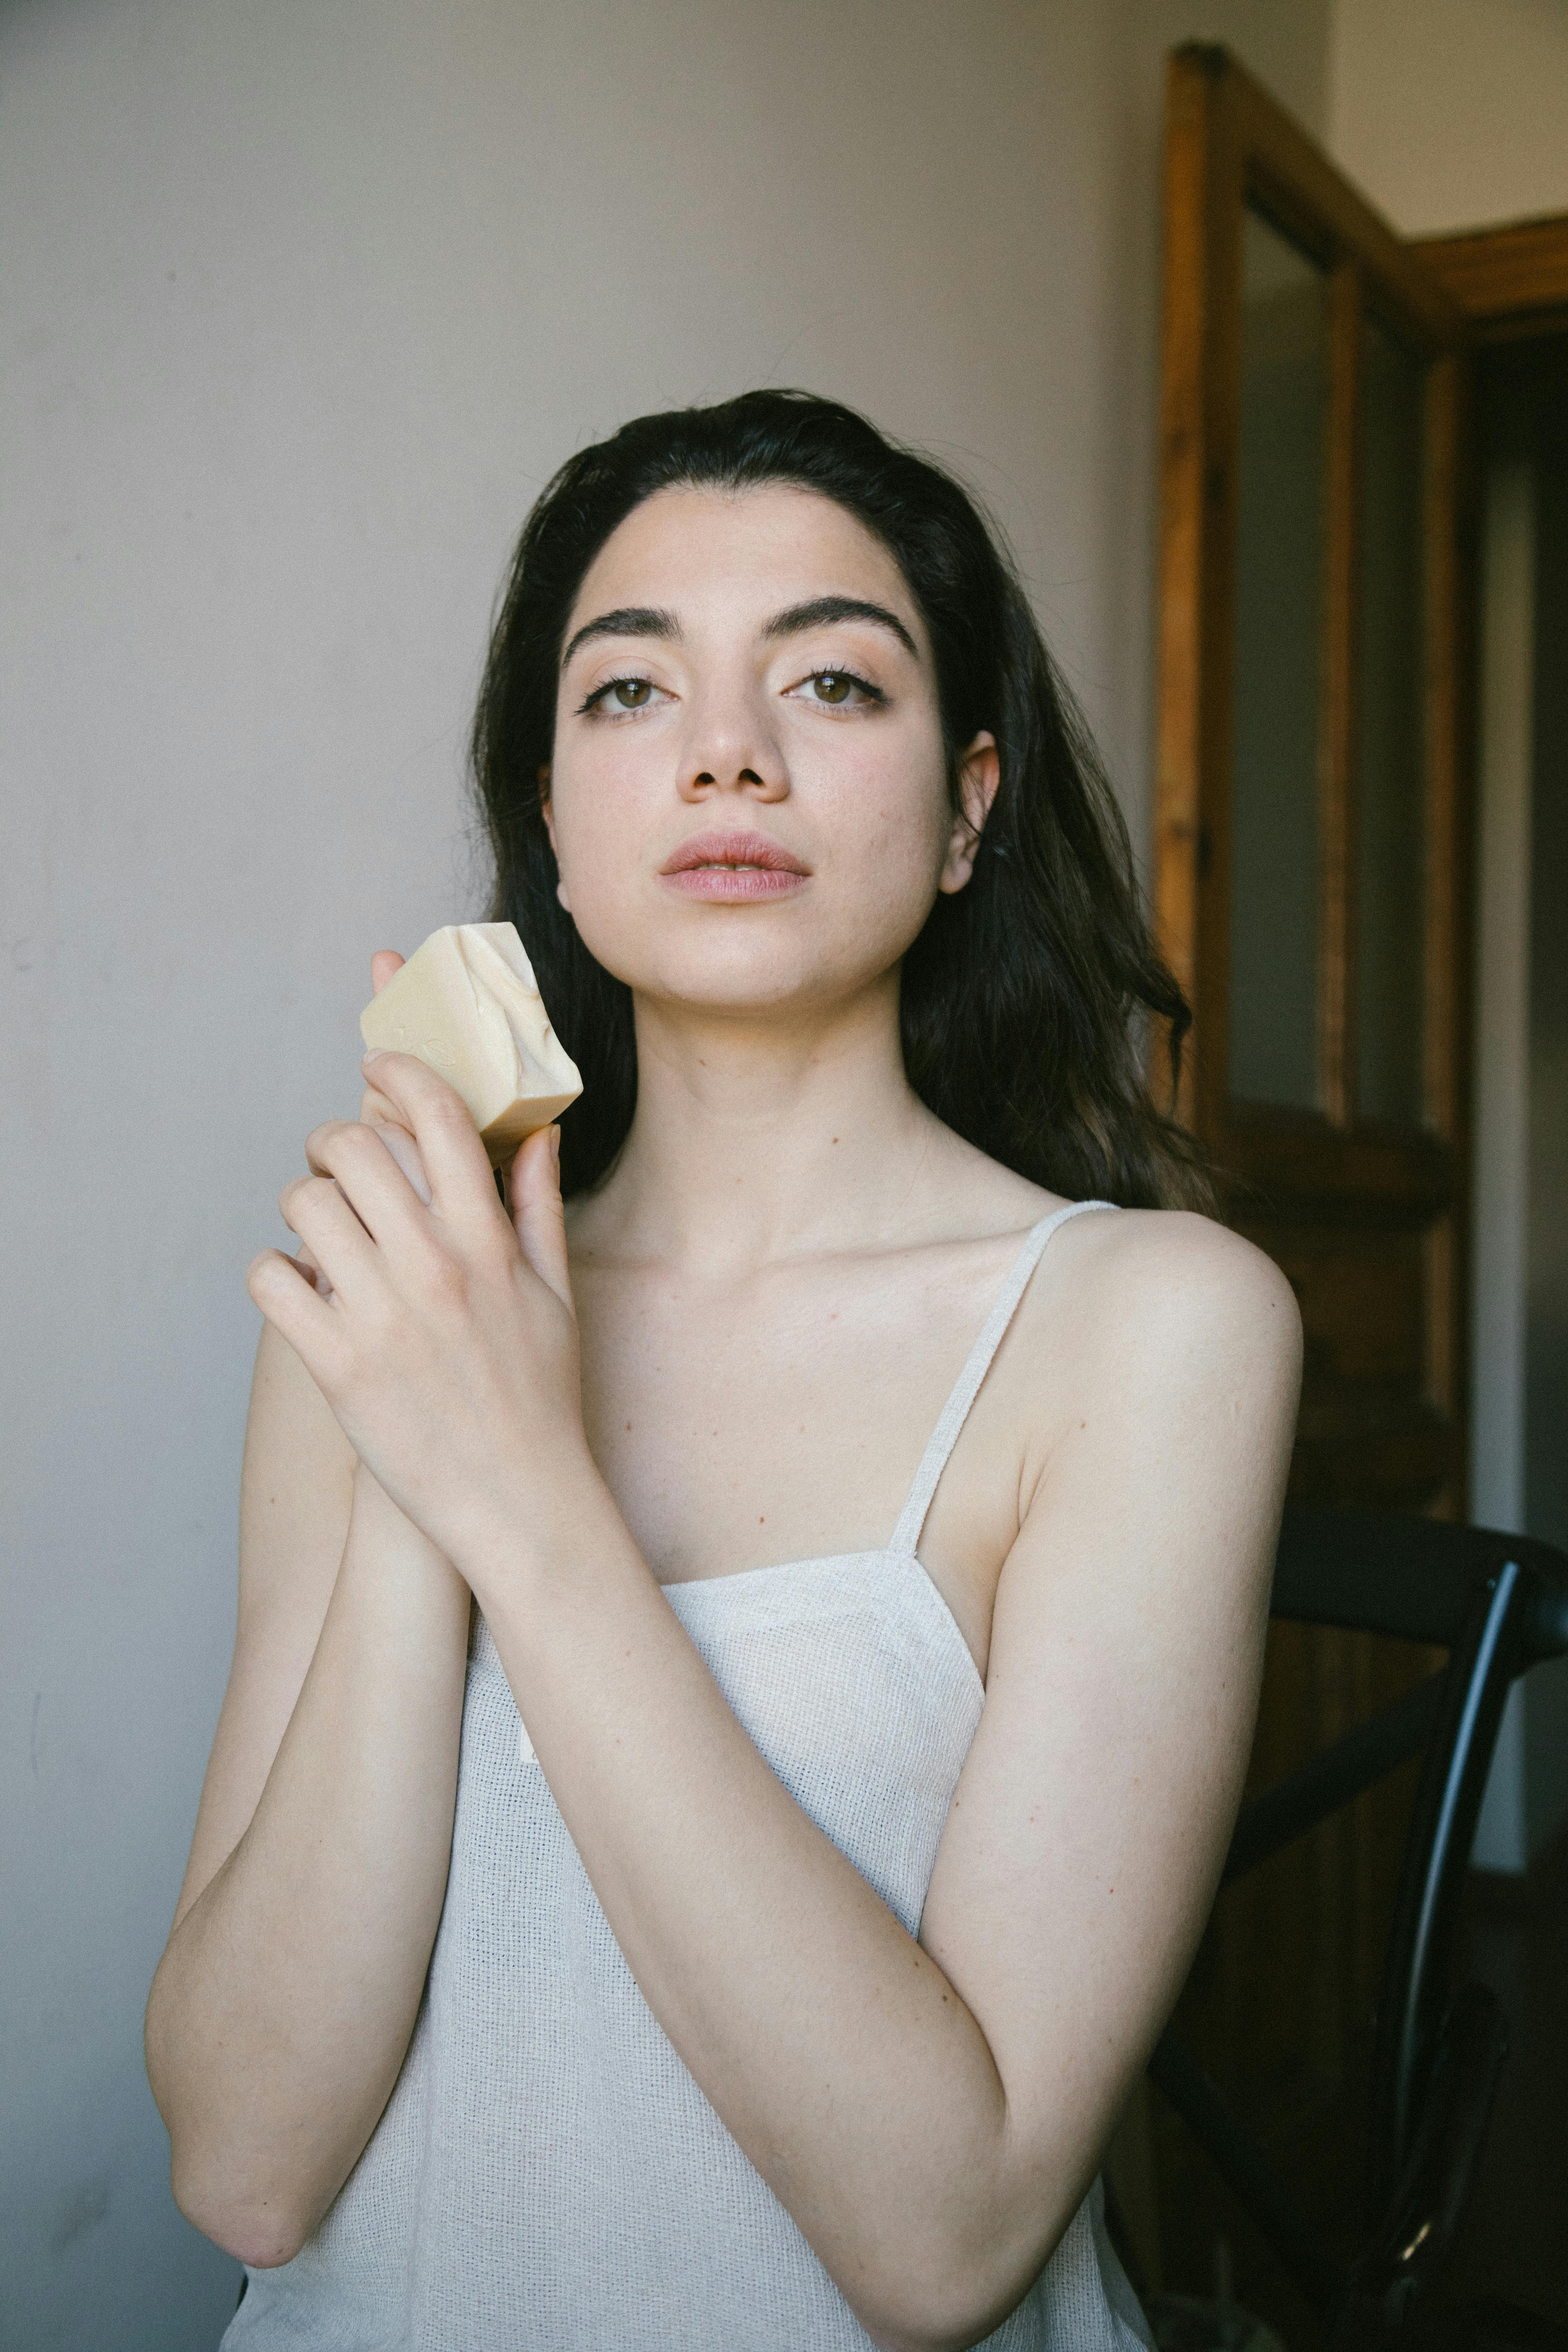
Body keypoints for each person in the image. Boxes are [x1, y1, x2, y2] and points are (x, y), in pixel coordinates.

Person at [144, 390, 1301, 2352]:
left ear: (969, 808)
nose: (728, 755)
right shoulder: (387, 1308)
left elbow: (945, 2242)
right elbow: (249, 2167)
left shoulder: (1153, 1327)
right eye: (630, 691)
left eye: (833, 682)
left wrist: (523, 1497)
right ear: (549, 819)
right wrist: (436, 1432)